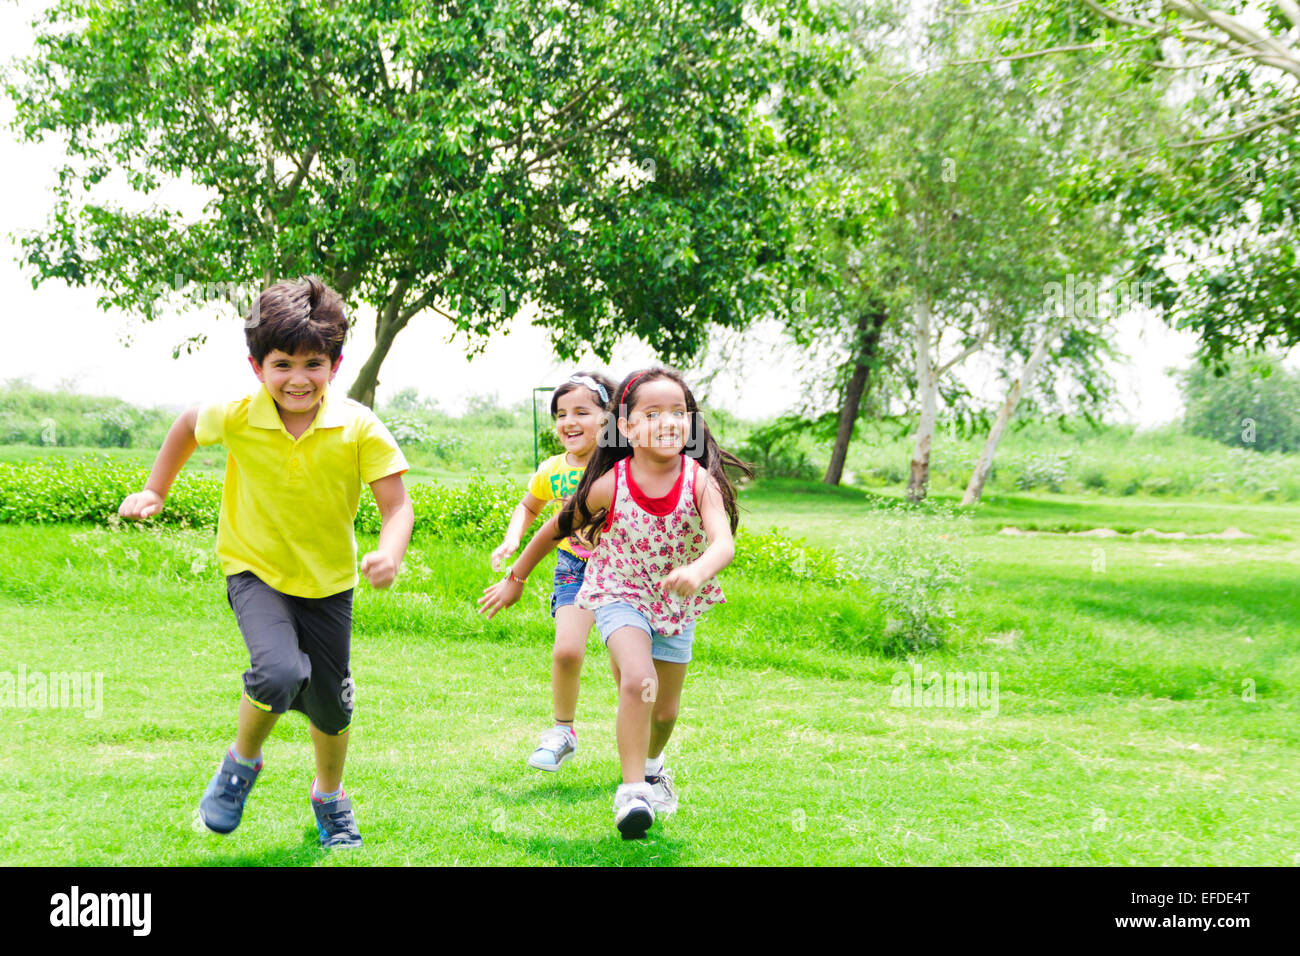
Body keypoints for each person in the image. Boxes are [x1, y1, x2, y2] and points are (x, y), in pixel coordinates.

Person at [117, 275, 414, 849]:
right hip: (253, 570)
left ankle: (330, 795)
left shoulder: (358, 426)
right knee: (280, 672)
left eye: (312, 364)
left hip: (329, 583)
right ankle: (240, 765)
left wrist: (389, 552)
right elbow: (185, 425)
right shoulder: (236, 414)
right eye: (282, 365)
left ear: (336, 362)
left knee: (331, 703)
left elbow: (397, 506)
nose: (297, 379)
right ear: (257, 367)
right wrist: (157, 491)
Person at [479, 367, 751, 839]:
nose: (667, 421)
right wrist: (516, 577)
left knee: (664, 712)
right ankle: (632, 792)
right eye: (652, 412)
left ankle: (652, 766)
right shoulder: (612, 482)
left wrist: (698, 570)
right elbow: (553, 528)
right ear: (625, 425)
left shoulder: (699, 481)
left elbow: (722, 543)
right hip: (619, 592)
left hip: (675, 603)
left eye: (678, 412)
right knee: (638, 679)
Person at [491, 373, 616, 772]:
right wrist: (513, 540)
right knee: (566, 650)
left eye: (582, 411)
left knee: (626, 666)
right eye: (561, 414)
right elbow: (529, 507)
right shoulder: (553, 468)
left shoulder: (620, 465)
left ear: (609, 418)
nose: (568, 421)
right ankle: (563, 732)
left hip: (623, 571)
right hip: (573, 567)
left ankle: (646, 744)